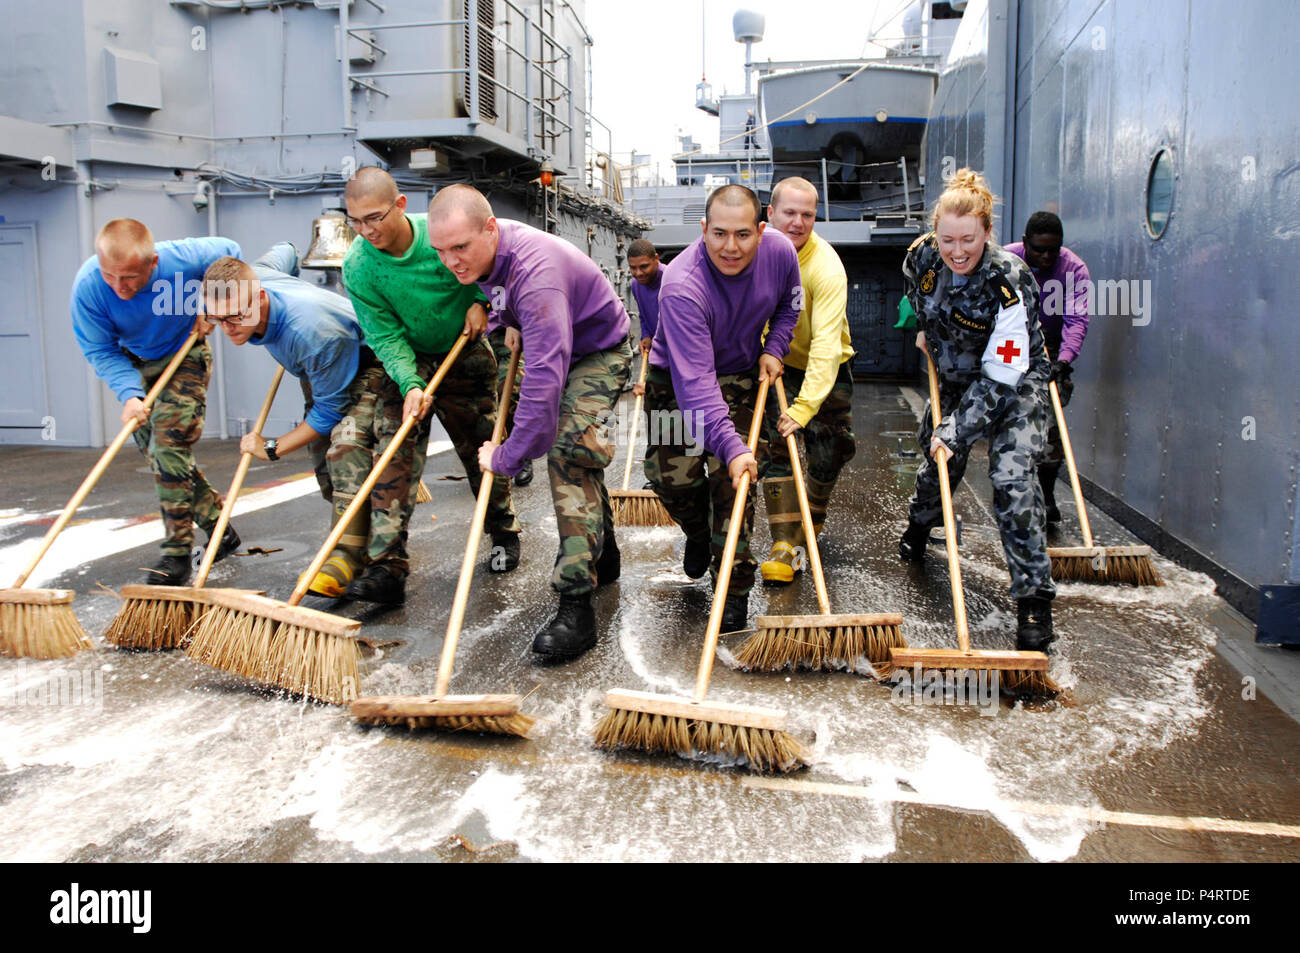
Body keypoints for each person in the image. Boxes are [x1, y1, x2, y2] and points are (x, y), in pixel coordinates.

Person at [427, 184, 632, 662]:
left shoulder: (536, 278)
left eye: (460, 248)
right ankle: (605, 553)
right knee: (576, 457)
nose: (452, 261)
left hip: (600, 350)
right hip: (563, 337)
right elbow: (502, 295)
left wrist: (505, 457)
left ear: (491, 229)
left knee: (567, 450)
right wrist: (503, 319)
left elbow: (540, 393)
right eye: (441, 251)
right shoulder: (487, 257)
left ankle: (576, 605)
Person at [341, 168, 520, 604]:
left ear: (400, 206)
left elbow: (492, 268)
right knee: (393, 452)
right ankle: (387, 567)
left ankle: (503, 529)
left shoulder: (441, 234)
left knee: (481, 451)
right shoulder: (359, 267)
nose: (366, 231)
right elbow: (384, 335)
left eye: (374, 218)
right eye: (355, 221)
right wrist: (411, 384)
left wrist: (483, 306)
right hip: (412, 359)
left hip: (466, 351)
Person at [899, 169, 1056, 651]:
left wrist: (958, 427)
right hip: (954, 374)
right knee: (939, 464)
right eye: (948, 239)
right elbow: (916, 294)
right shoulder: (921, 255)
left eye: (968, 239)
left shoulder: (1010, 279)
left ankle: (1033, 601)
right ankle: (920, 524)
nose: (957, 250)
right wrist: (925, 327)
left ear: (988, 233)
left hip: (1014, 382)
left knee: (1012, 478)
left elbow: (1003, 373)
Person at [645, 184, 800, 632]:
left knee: (734, 485)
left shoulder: (780, 254)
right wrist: (730, 445)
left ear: (761, 230)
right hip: (675, 381)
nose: (730, 247)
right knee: (672, 480)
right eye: (719, 234)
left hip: (741, 373)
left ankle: (732, 586)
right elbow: (695, 384)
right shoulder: (680, 286)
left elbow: (791, 304)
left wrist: (776, 345)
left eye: (743, 235)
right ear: (703, 231)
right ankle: (697, 533)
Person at [200, 245, 389, 598]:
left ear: (258, 299)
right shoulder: (258, 276)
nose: (226, 329)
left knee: (345, 445)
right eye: (217, 318)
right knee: (322, 459)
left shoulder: (312, 333)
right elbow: (286, 250)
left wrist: (272, 448)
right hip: (318, 365)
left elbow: (330, 411)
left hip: (368, 358)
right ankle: (361, 525)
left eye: (235, 317)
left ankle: (346, 558)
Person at [70, 219, 241, 586]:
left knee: (168, 448)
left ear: (153, 263)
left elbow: (232, 252)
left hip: (185, 354)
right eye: (110, 276)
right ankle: (220, 526)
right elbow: (101, 349)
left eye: (129, 277)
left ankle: (177, 554)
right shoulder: (88, 288)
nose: (119, 287)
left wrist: (211, 305)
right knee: (160, 456)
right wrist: (129, 394)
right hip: (134, 362)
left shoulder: (182, 259)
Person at [758, 177, 857, 584]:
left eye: (808, 214)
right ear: (770, 214)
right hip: (773, 362)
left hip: (824, 367)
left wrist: (803, 407)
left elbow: (826, 347)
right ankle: (784, 543)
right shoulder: (752, 251)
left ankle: (811, 522)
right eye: (790, 213)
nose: (798, 222)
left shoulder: (826, 268)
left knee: (829, 451)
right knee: (775, 451)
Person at [1004, 211, 1091, 524]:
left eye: (1052, 250)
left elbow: (1077, 319)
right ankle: (1016, 494)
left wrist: (1064, 361)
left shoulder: (1074, 270)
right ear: (1025, 242)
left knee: (1050, 426)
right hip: (1012, 342)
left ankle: (1047, 494)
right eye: (1038, 249)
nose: (1045, 256)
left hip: (1052, 349)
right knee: (1012, 420)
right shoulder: (1007, 260)